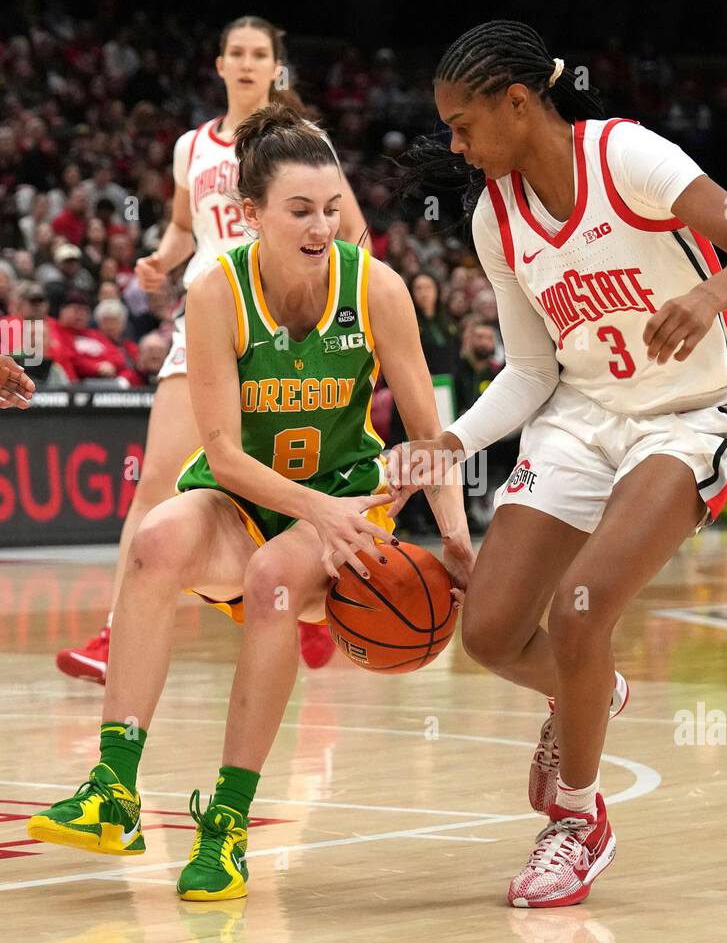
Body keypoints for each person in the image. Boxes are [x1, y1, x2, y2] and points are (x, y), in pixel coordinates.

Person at [390, 20, 727, 908]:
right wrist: (449, 444)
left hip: (689, 416)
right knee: (489, 633)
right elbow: (533, 370)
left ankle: (577, 820)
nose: (454, 144)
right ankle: (591, 690)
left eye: (463, 124)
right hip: (580, 417)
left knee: (578, 608)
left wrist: (708, 293)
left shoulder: (631, 158)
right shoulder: (496, 216)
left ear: (518, 102)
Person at [29, 106, 474, 901]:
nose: (321, 225)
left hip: (344, 498)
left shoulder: (378, 289)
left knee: (274, 579)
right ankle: (113, 788)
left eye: (332, 208)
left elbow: (429, 433)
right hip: (249, 494)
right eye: (300, 211)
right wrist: (310, 509)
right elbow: (224, 454)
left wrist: (455, 540)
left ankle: (227, 824)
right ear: (252, 213)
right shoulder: (214, 291)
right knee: (156, 541)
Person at [56, 15, 369, 683]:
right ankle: (115, 635)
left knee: (289, 482)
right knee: (155, 484)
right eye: (238, 52)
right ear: (220, 64)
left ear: (275, 68)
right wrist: (161, 261)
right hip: (205, 318)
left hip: (283, 329)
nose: (249, 62)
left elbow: (355, 238)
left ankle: (312, 613)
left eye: (261, 53)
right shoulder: (191, 147)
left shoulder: (305, 143)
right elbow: (180, 228)